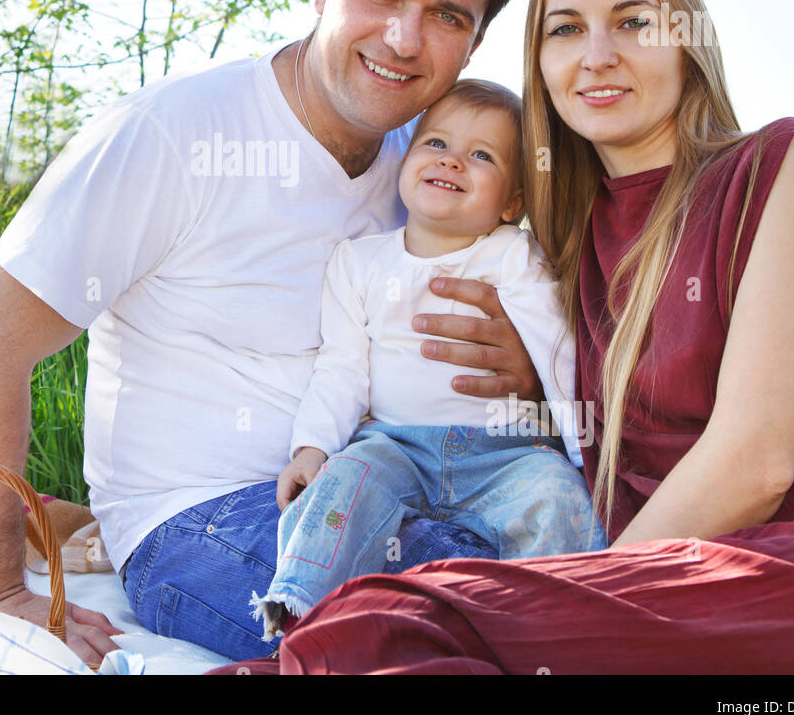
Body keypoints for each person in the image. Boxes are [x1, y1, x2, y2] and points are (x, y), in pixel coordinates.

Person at [218, 0, 794, 674]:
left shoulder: (787, 160)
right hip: (635, 568)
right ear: (539, 61)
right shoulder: (554, 235)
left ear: (687, 37)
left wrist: (570, 593)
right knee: (382, 624)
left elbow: (758, 463)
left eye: (634, 22)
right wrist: (525, 393)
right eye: (566, 29)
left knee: (400, 626)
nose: (598, 57)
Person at [0, 0, 550, 666]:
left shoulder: (433, 168)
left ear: (473, 43)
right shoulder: (176, 133)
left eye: (446, 15)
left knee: (568, 592)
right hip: (199, 520)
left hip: (389, 491)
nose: (403, 38)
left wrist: (526, 372)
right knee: (436, 636)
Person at [252, 79, 606, 639]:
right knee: (344, 482)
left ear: (513, 202)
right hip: (396, 444)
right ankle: (299, 608)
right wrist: (312, 447)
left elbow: (554, 349)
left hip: (505, 452)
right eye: (435, 143)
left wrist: (585, 453)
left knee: (559, 494)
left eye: (482, 155)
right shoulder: (359, 263)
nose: (453, 161)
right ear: (408, 158)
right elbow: (342, 368)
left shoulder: (511, 254)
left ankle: (551, 627)